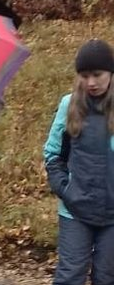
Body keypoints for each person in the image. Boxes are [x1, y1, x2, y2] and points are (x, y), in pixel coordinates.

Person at [44, 39, 114, 285]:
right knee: (70, 276)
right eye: (84, 75)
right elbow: (53, 153)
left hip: (112, 216)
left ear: (111, 73)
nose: (91, 82)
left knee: (107, 278)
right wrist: (65, 189)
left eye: (97, 74)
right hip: (75, 211)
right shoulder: (68, 105)